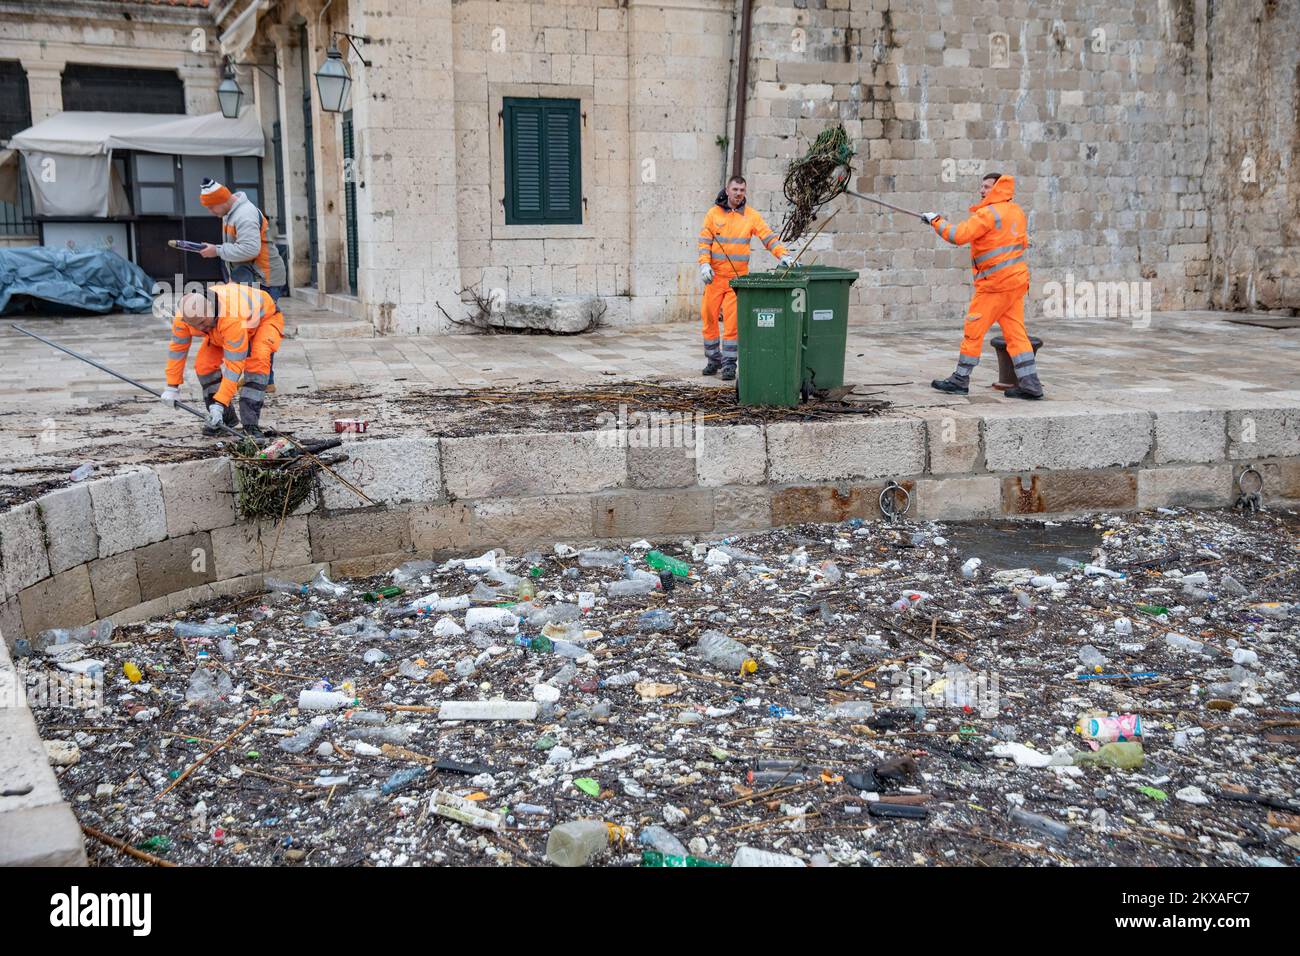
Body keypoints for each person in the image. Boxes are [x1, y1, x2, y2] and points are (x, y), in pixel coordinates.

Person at [922, 173, 1043, 399]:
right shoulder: (1016, 211)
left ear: (998, 189)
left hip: (995, 285)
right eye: (982, 186)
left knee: (973, 329)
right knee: (1016, 334)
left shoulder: (988, 214)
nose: (982, 190)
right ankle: (1030, 384)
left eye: (987, 187)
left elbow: (958, 235)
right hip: (1016, 282)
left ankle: (960, 379)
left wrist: (935, 221)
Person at [696, 175, 796, 381]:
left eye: (742, 190)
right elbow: (705, 242)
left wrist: (783, 254)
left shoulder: (751, 216)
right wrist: (704, 264)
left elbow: (768, 237)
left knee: (732, 324)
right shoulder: (712, 214)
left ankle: (729, 365)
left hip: (737, 281)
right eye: (735, 189)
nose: (739, 193)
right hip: (714, 278)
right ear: (727, 189)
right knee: (708, 317)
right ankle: (713, 359)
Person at [160, 284, 284, 437]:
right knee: (204, 366)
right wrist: (172, 387)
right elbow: (177, 351)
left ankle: (250, 425)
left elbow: (234, 367)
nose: (202, 328)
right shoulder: (185, 318)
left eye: (203, 322)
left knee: (257, 363)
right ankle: (225, 419)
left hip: (263, 322)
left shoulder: (230, 317)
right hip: (220, 329)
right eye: (196, 325)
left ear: (210, 309)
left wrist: (219, 403)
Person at [196, 178, 287, 303]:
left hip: (264, 280)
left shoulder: (245, 215)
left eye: (211, 207)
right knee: (248, 319)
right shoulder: (229, 214)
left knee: (260, 320)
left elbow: (250, 249)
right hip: (252, 278)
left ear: (222, 200)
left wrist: (216, 250)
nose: (210, 212)